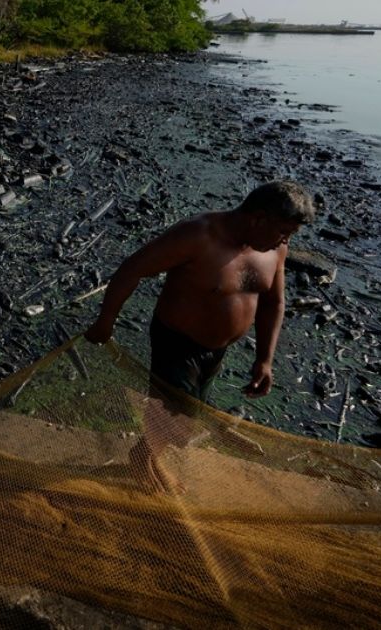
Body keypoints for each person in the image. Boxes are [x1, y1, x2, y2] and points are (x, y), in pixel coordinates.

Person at [84, 181, 315, 492]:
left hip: (218, 350)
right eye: (283, 231)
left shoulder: (276, 249)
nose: (285, 240)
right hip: (177, 342)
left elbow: (274, 302)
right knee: (176, 417)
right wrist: (105, 321)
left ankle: (145, 455)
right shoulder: (198, 235)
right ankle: (143, 459)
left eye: (290, 235)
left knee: (184, 415)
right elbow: (133, 268)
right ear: (258, 218)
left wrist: (265, 359)